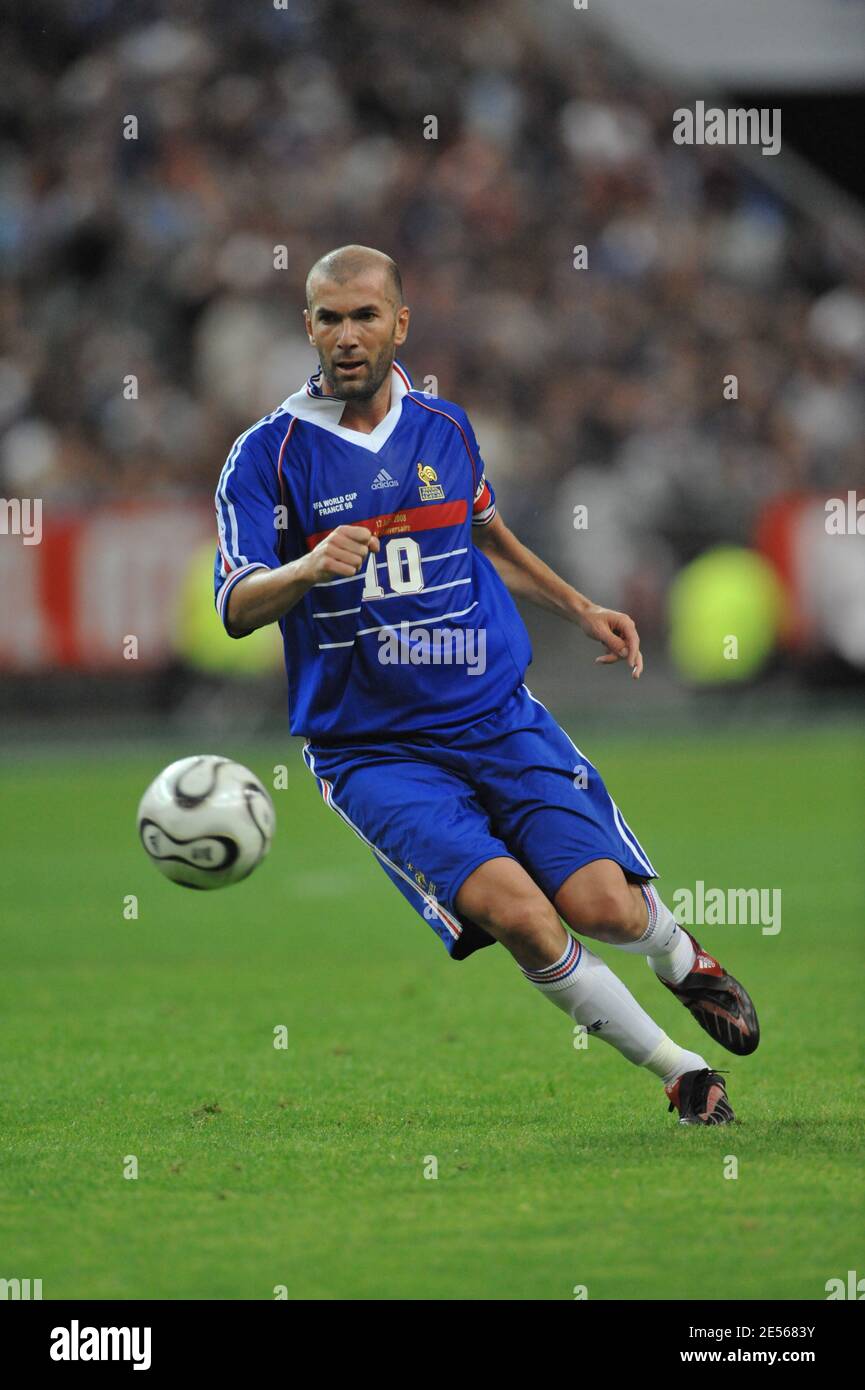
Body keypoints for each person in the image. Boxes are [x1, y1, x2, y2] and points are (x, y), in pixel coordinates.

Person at [214, 244, 759, 1126]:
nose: (345, 336)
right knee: (523, 917)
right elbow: (236, 605)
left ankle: (676, 955)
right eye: (327, 317)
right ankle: (678, 1071)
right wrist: (310, 567)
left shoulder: (446, 429)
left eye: (363, 316)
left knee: (601, 908)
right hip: (371, 750)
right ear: (306, 327)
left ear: (400, 323)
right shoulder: (265, 459)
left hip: (495, 716)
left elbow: (487, 535)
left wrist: (580, 607)